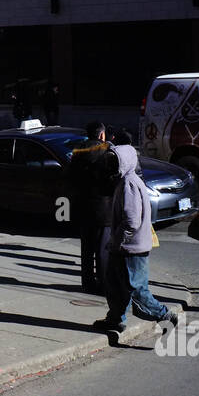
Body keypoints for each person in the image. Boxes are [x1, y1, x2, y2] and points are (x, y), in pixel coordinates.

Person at [98, 137, 178, 337]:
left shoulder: (129, 184)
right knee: (115, 285)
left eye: (114, 161)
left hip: (130, 249)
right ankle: (115, 320)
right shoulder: (126, 180)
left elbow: (131, 221)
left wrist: (117, 239)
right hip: (125, 247)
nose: (110, 165)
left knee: (137, 290)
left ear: (123, 163)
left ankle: (165, 315)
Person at [68, 121, 118, 293]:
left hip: (83, 206)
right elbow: (113, 179)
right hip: (103, 208)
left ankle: (87, 283)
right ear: (102, 135)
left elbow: (71, 177)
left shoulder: (78, 151)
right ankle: (104, 283)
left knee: (86, 249)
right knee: (103, 250)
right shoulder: (108, 151)